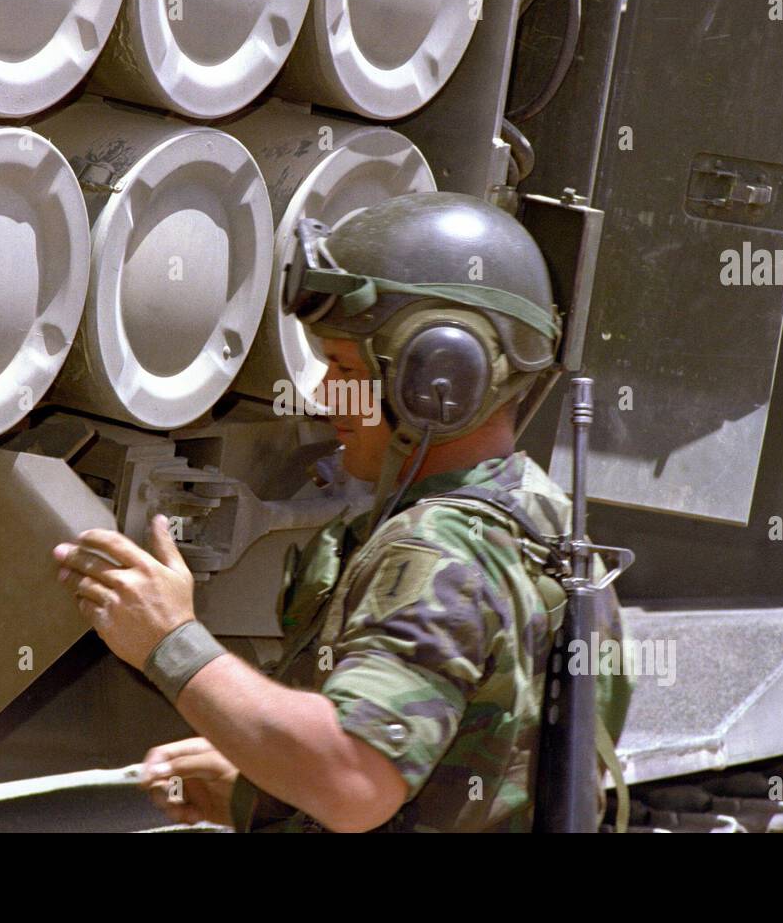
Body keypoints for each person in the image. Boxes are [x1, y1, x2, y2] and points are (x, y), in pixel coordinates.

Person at [52, 192, 629, 832]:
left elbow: (355, 781)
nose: (326, 394)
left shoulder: (435, 552)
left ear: (443, 382)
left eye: (343, 366)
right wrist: (256, 793)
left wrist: (169, 642)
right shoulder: (542, 517)